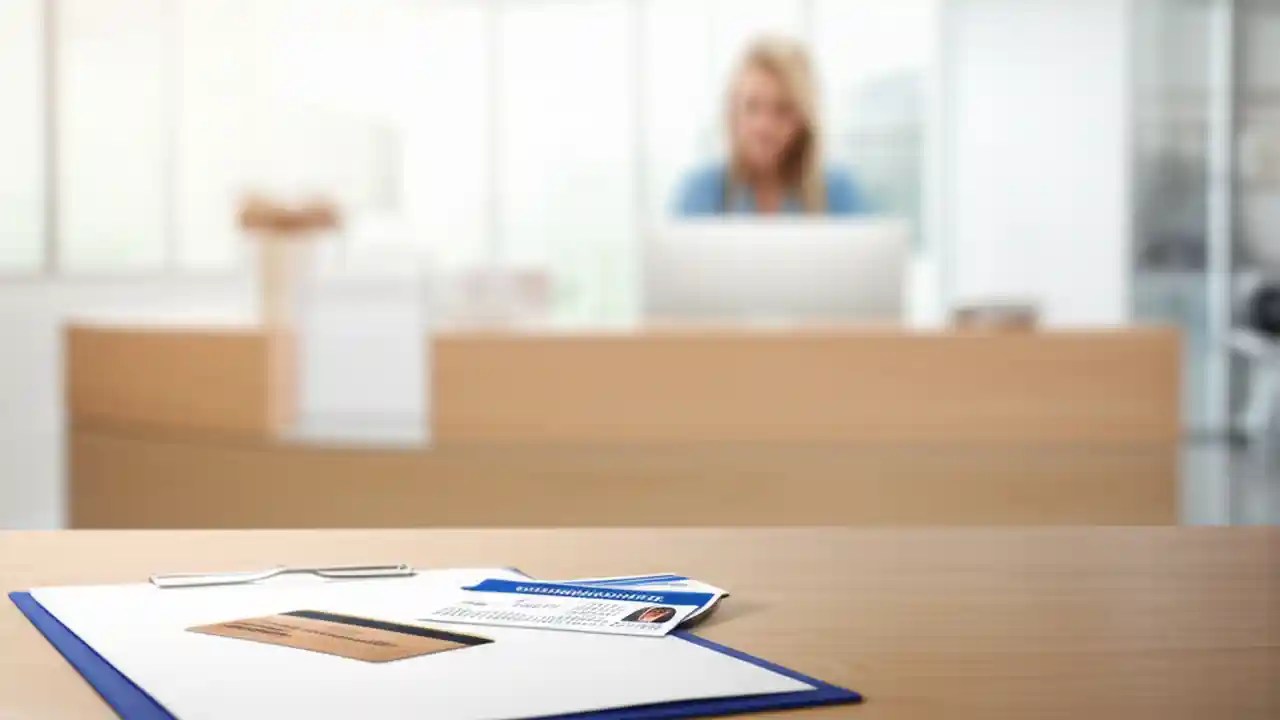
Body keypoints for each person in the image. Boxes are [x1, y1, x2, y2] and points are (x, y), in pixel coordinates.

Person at [674, 37, 865, 216]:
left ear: (803, 120)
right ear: (733, 112)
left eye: (782, 110)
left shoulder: (839, 190)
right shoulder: (700, 190)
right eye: (751, 106)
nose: (763, 126)